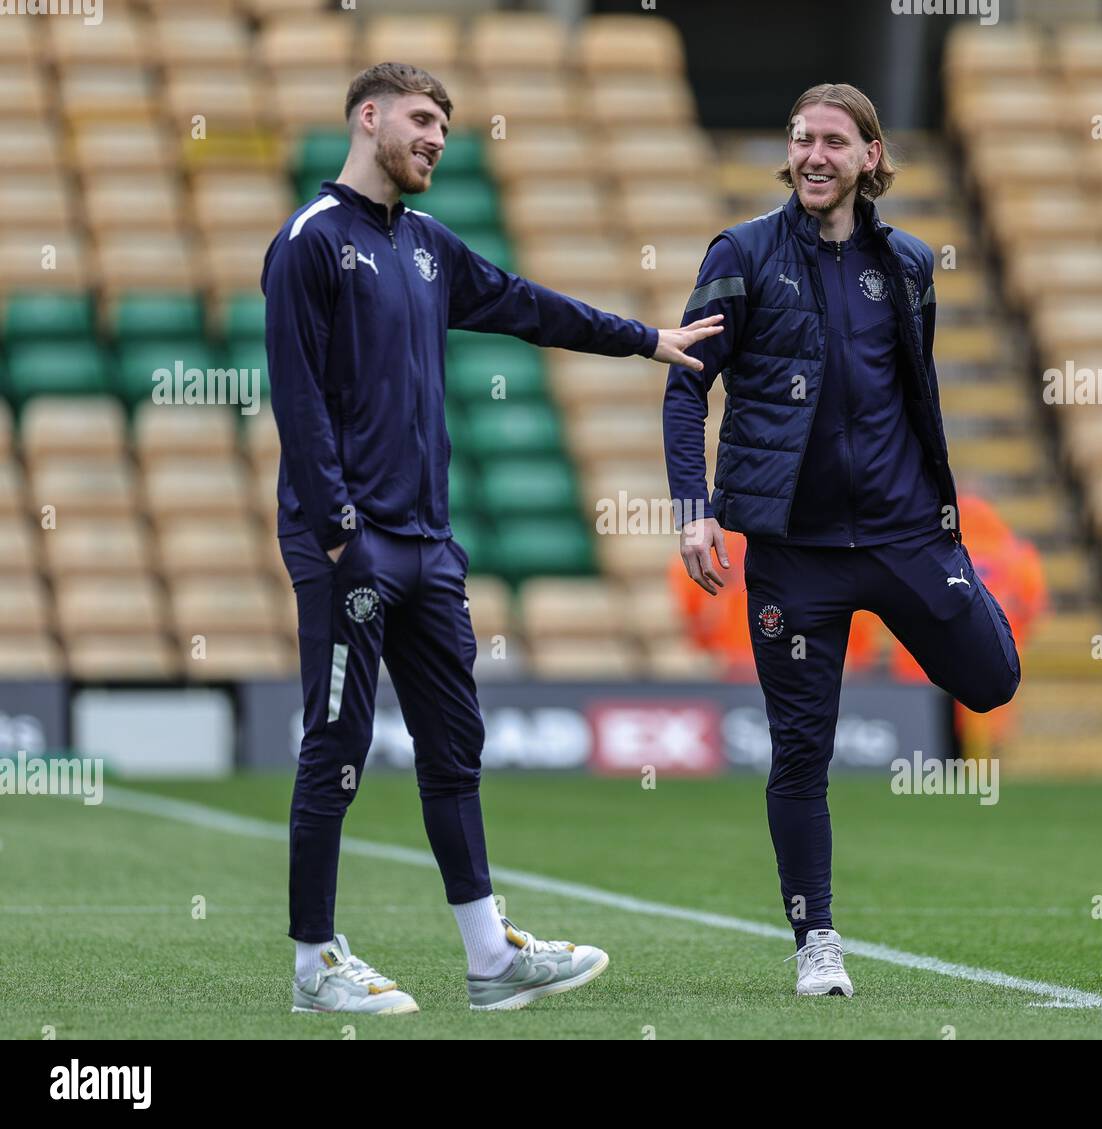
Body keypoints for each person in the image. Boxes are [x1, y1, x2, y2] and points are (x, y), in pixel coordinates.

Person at [264, 62, 723, 1014]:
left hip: (430, 548)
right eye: (422, 120)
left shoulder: (428, 244)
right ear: (369, 117)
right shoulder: (310, 244)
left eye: (445, 126)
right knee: (337, 744)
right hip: (349, 546)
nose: (436, 138)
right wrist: (341, 531)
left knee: (455, 745)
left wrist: (643, 339)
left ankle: (489, 958)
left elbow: (525, 305)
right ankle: (315, 964)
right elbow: (298, 404)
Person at [662, 82, 1020, 998]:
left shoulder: (907, 264)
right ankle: (815, 938)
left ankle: (957, 576)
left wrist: (940, 517)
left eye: (833, 141)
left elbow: (912, 390)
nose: (814, 155)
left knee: (992, 680)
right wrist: (692, 506)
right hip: (794, 551)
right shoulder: (741, 253)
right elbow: (684, 384)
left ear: (870, 155)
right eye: (800, 139)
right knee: (801, 751)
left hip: (906, 533)